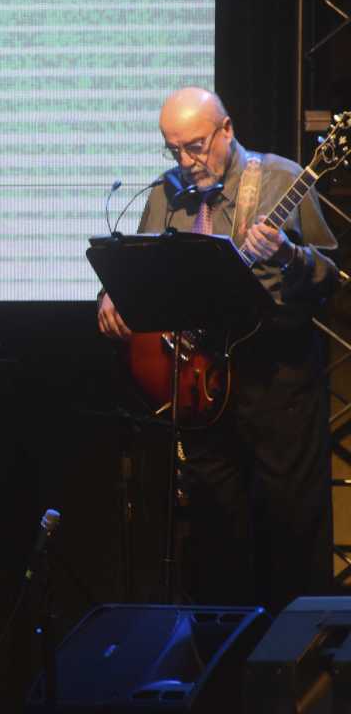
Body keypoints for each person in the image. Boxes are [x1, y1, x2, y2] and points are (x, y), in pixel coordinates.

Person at [98, 86, 338, 612]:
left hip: (277, 384)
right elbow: (143, 269)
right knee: (215, 538)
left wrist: (288, 254)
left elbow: (328, 277)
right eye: (175, 149)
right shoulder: (165, 194)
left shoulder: (279, 179)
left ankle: (293, 652)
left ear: (226, 129)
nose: (187, 161)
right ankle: (219, 649)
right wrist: (113, 293)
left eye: (196, 146)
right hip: (201, 389)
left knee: (290, 530)